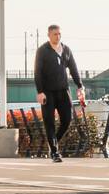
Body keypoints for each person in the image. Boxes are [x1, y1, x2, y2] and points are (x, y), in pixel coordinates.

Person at [33, 25, 83, 163]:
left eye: (59, 34)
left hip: (63, 90)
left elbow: (73, 68)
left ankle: (53, 143)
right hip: (47, 93)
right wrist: (40, 92)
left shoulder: (66, 50)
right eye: (55, 34)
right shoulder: (42, 51)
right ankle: (55, 152)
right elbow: (37, 72)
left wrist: (80, 86)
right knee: (49, 122)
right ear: (49, 35)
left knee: (67, 120)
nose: (58, 36)